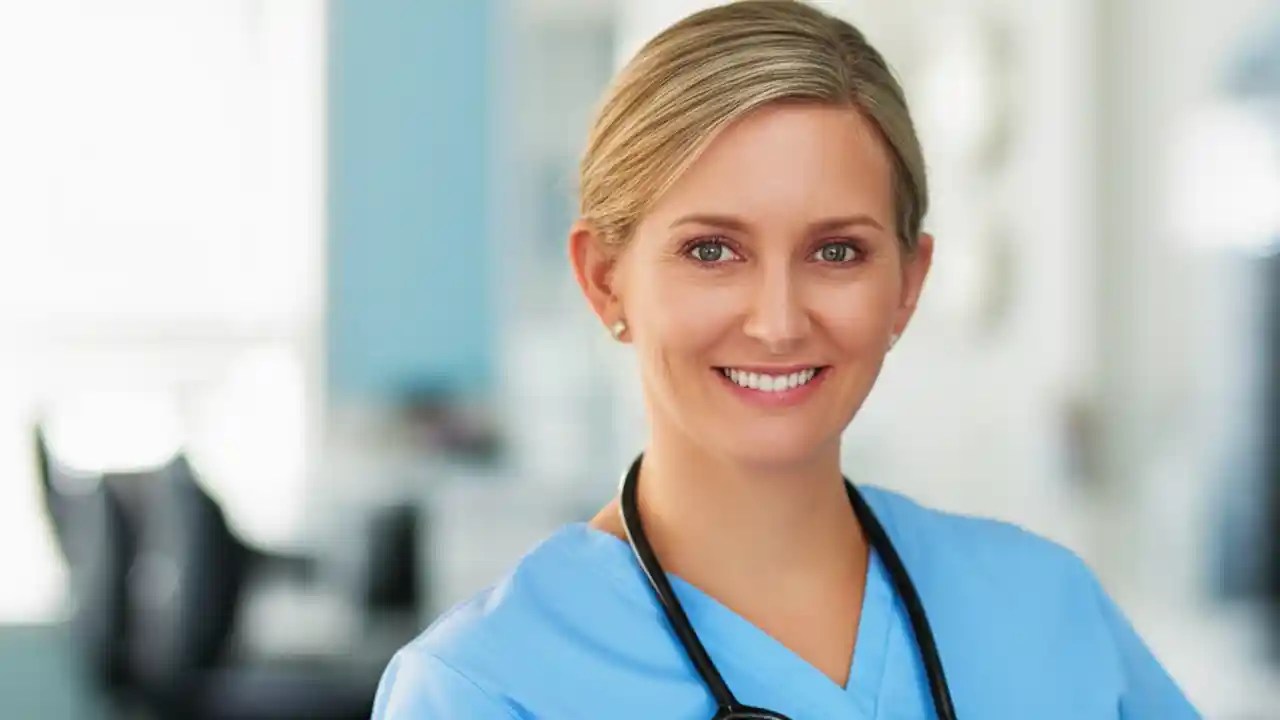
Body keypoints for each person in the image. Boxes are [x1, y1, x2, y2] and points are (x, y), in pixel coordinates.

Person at [372, 1, 1200, 717]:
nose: (777, 323)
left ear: (908, 284)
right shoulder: (483, 690)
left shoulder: (1047, 612)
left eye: (837, 252)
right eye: (712, 251)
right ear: (603, 279)